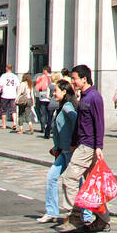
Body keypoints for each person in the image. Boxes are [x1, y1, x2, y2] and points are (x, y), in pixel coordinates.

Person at [56, 64, 108, 233]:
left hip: (88, 146)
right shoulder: (84, 98)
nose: (73, 81)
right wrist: (73, 141)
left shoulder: (94, 97)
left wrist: (99, 146)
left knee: (69, 178)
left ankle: (75, 215)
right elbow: (80, 123)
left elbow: (99, 122)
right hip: (83, 144)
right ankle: (102, 220)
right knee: (93, 186)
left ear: (84, 79)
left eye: (75, 78)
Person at [39, 78, 77, 224]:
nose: (53, 93)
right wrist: (56, 147)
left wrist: (74, 141)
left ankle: (82, 213)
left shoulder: (68, 106)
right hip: (63, 151)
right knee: (51, 177)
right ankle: (51, 212)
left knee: (76, 183)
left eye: (56, 90)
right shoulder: (62, 106)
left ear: (64, 91)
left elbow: (76, 119)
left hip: (71, 151)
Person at [0, 64, 20, 131]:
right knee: (13, 110)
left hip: (5, 95)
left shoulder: (3, 76)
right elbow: (18, 86)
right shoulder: (15, 76)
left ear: (6, 68)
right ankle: (14, 123)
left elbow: (0, 86)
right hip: (13, 95)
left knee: (3, 110)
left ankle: (4, 125)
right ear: (11, 68)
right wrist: (18, 94)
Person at [35, 66, 53, 139]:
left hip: (43, 97)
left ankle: (43, 128)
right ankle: (50, 127)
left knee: (42, 114)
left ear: (45, 70)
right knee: (50, 114)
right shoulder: (53, 77)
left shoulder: (41, 77)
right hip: (51, 98)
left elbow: (37, 87)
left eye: (43, 70)